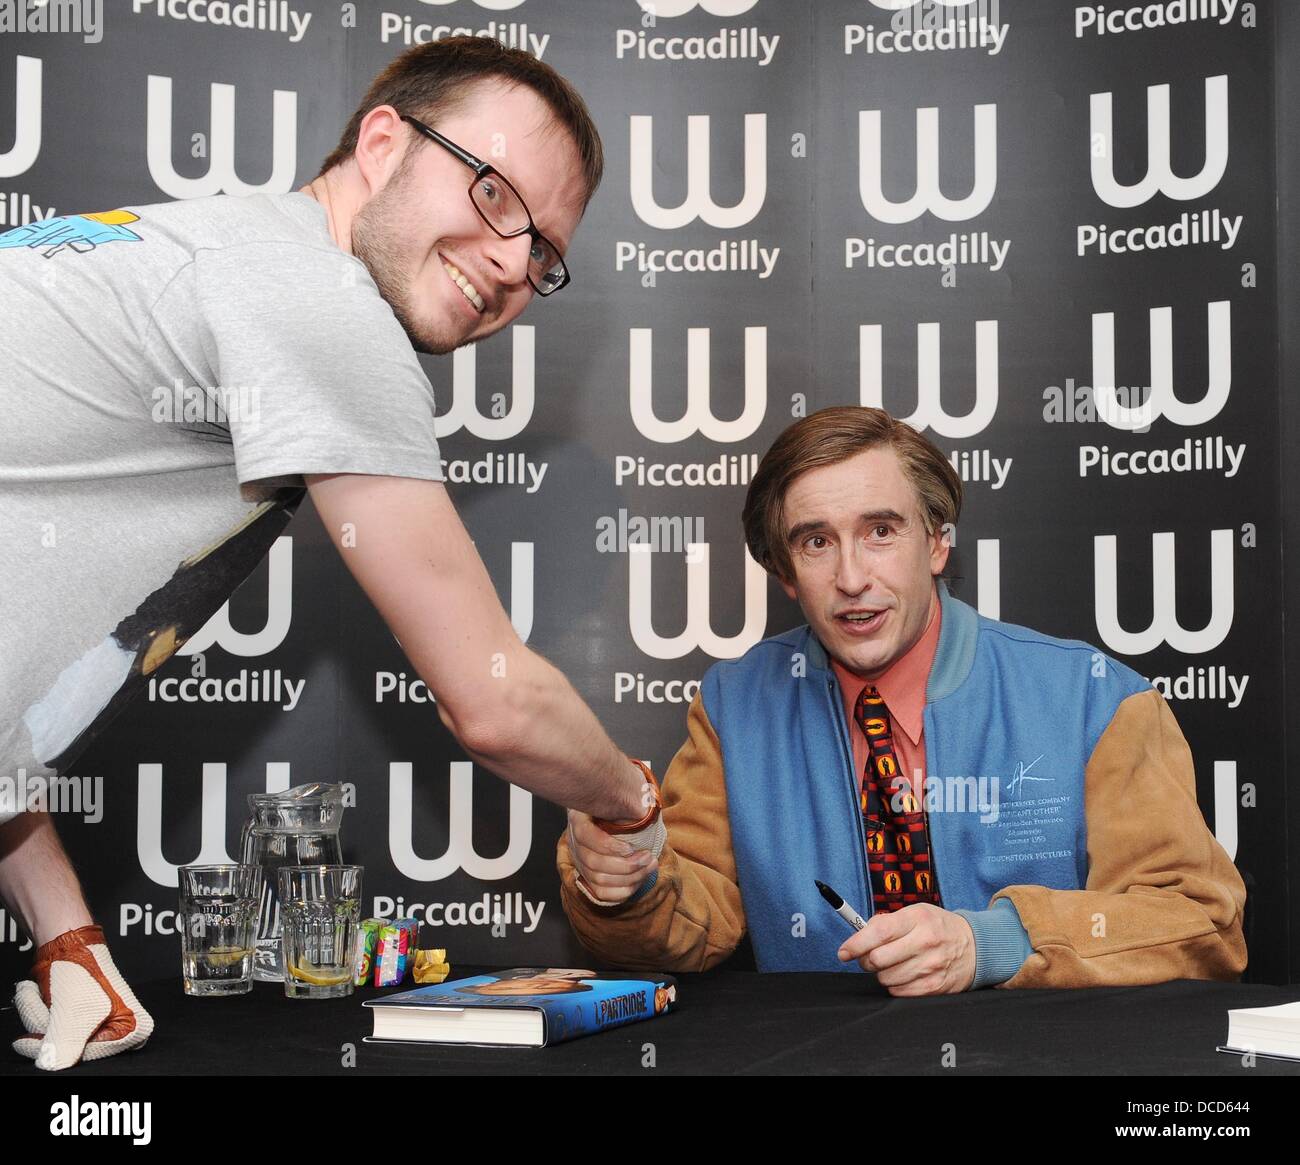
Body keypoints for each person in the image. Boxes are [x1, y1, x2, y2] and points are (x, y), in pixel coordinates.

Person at [0, 37, 657, 1070]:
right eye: (491, 192)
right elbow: (493, 699)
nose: (507, 261)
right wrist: (631, 804)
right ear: (384, 142)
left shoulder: (218, 251)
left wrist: (63, 933)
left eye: (541, 250)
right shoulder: (319, 299)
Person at [558, 406, 1248, 995]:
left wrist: (995, 943)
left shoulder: (1093, 701)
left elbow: (1201, 923)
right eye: (817, 541)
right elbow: (691, 923)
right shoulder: (734, 709)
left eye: (881, 531)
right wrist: (629, 883)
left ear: (938, 543)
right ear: (786, 573)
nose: (852, 577)